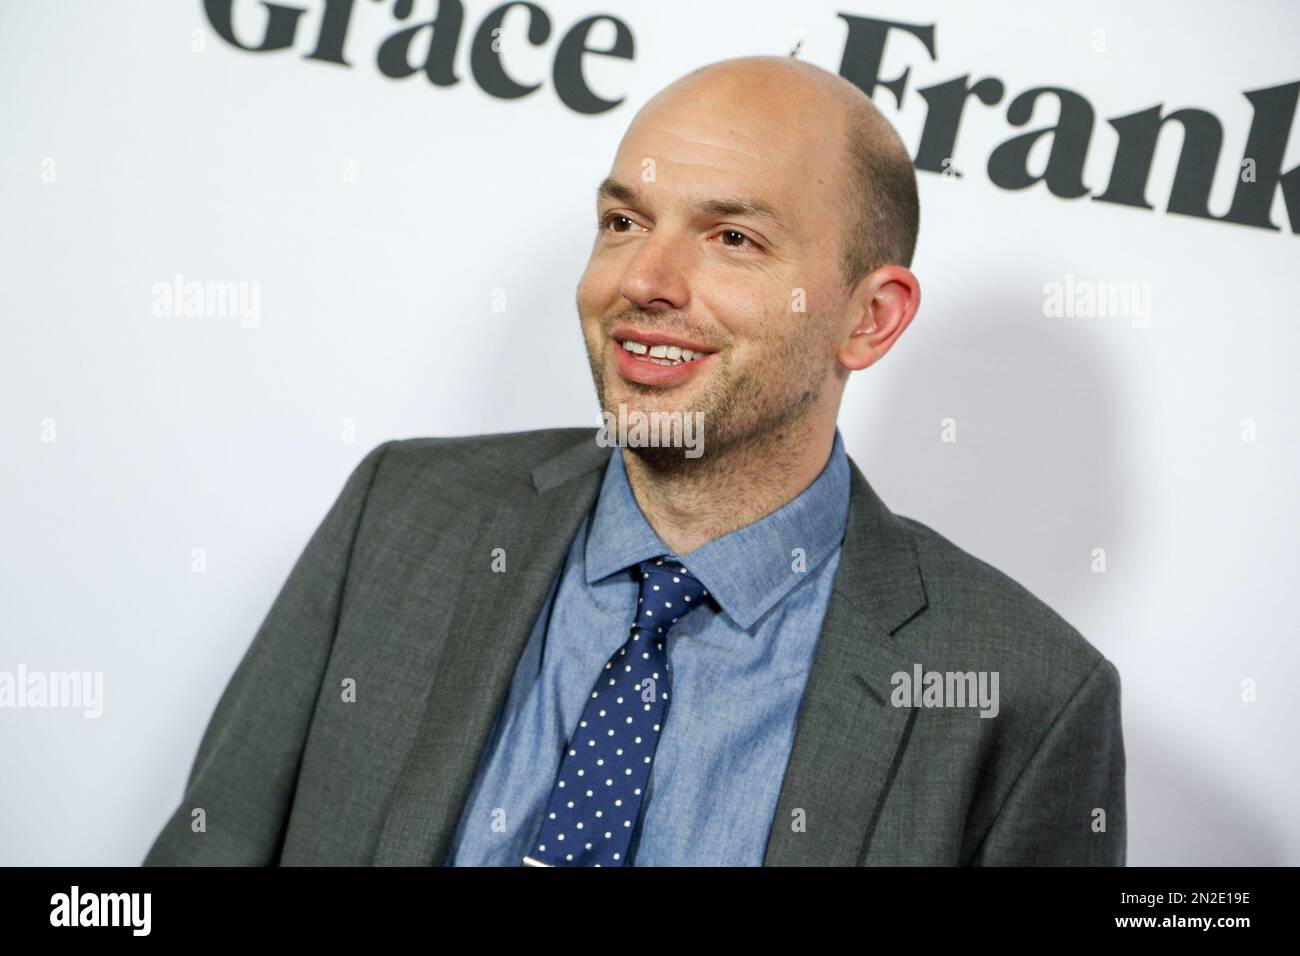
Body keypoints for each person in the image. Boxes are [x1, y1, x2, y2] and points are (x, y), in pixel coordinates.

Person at [144, 55, 1124, 867]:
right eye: (622, 222)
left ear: (868, 319)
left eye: (732, 238)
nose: (643, 282)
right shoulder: (398, 516)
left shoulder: (1021, 690)